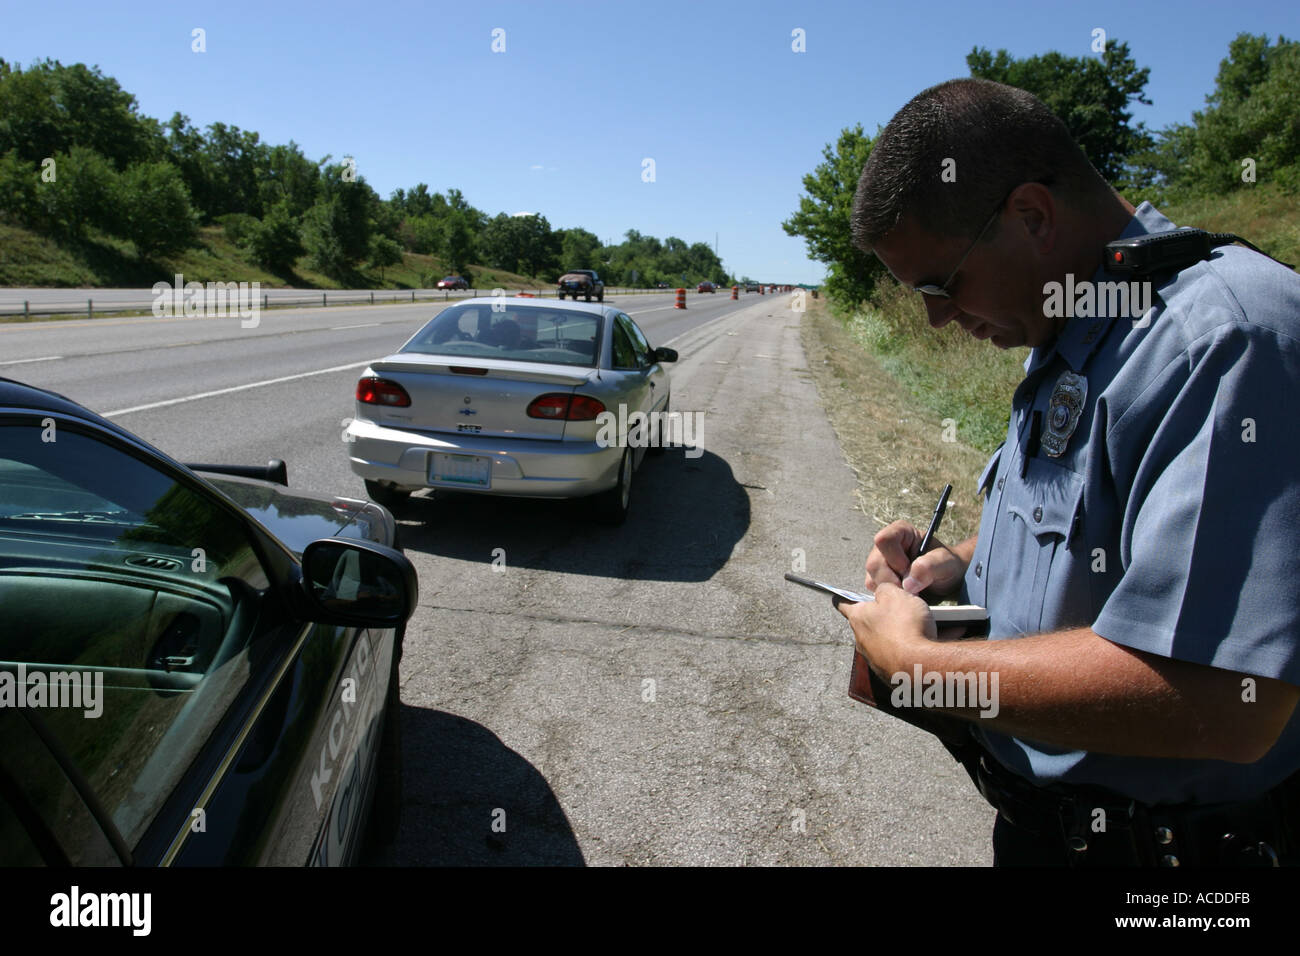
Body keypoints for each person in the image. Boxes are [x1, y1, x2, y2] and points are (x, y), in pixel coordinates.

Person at [843, 77, 1300, 866]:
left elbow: (1223, 698)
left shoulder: (1223, 344)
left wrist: (926, 669)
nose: (936, 318)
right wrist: (960, 566)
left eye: (938, 285)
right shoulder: (1073, 330)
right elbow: (1080, 536)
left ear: (1032, 215)